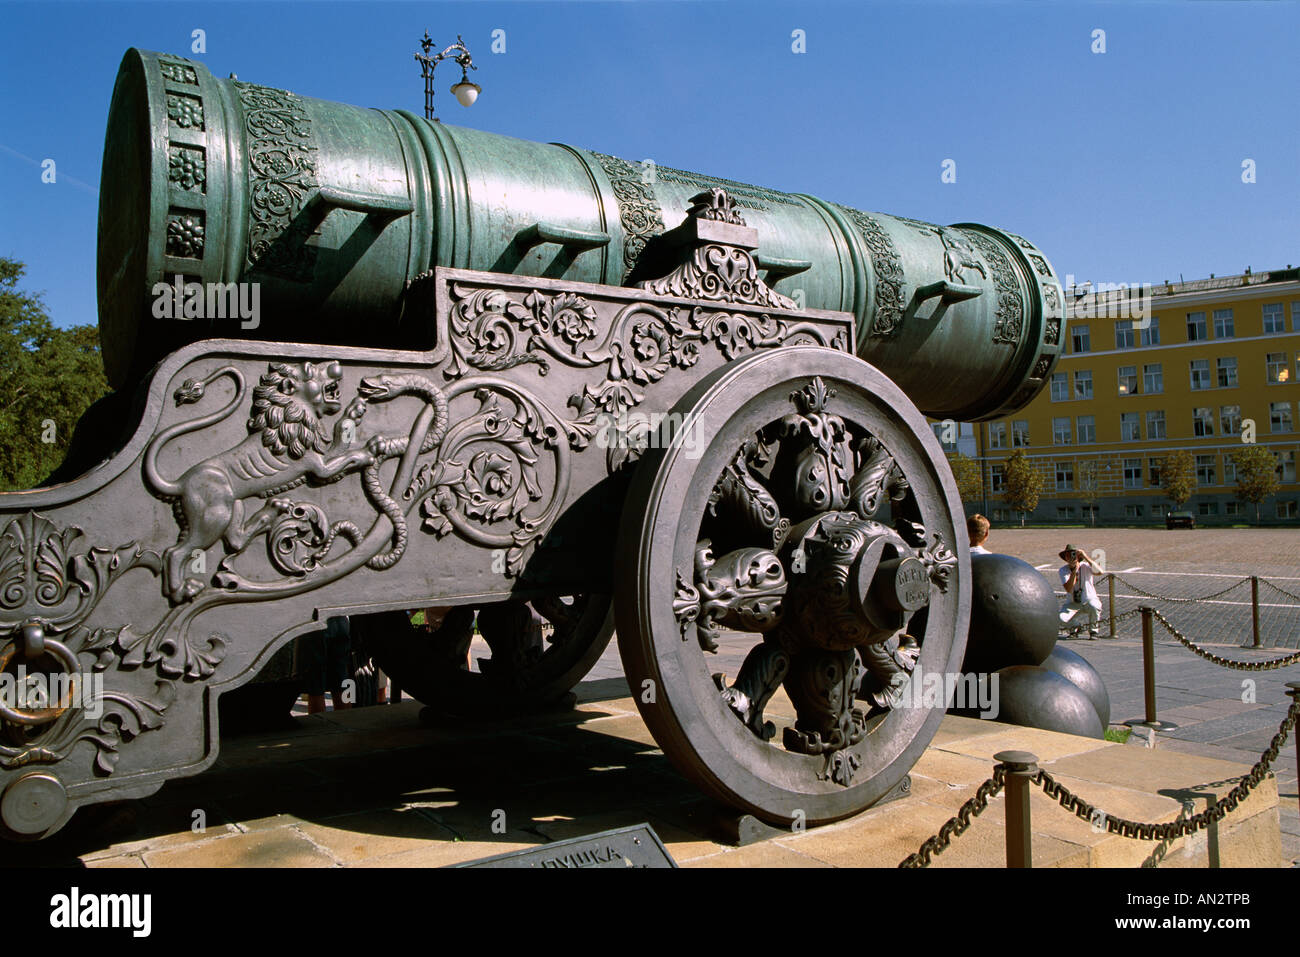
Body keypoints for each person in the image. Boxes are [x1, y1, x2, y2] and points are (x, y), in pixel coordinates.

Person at [1058, 544, 1102, 638]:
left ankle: (1094, 631)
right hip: (1073, 604)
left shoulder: (1086, 566)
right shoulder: (1063, 570)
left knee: (1094, 606)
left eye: (1073, 554)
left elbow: (1100, 572)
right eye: (1068, 555)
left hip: (1088, 601)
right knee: (1060, 618)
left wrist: (1085, 556)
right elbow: (1069, 588)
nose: (1070, 557)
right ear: (1065, 558)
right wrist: (1074, 571)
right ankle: (1076, 627)